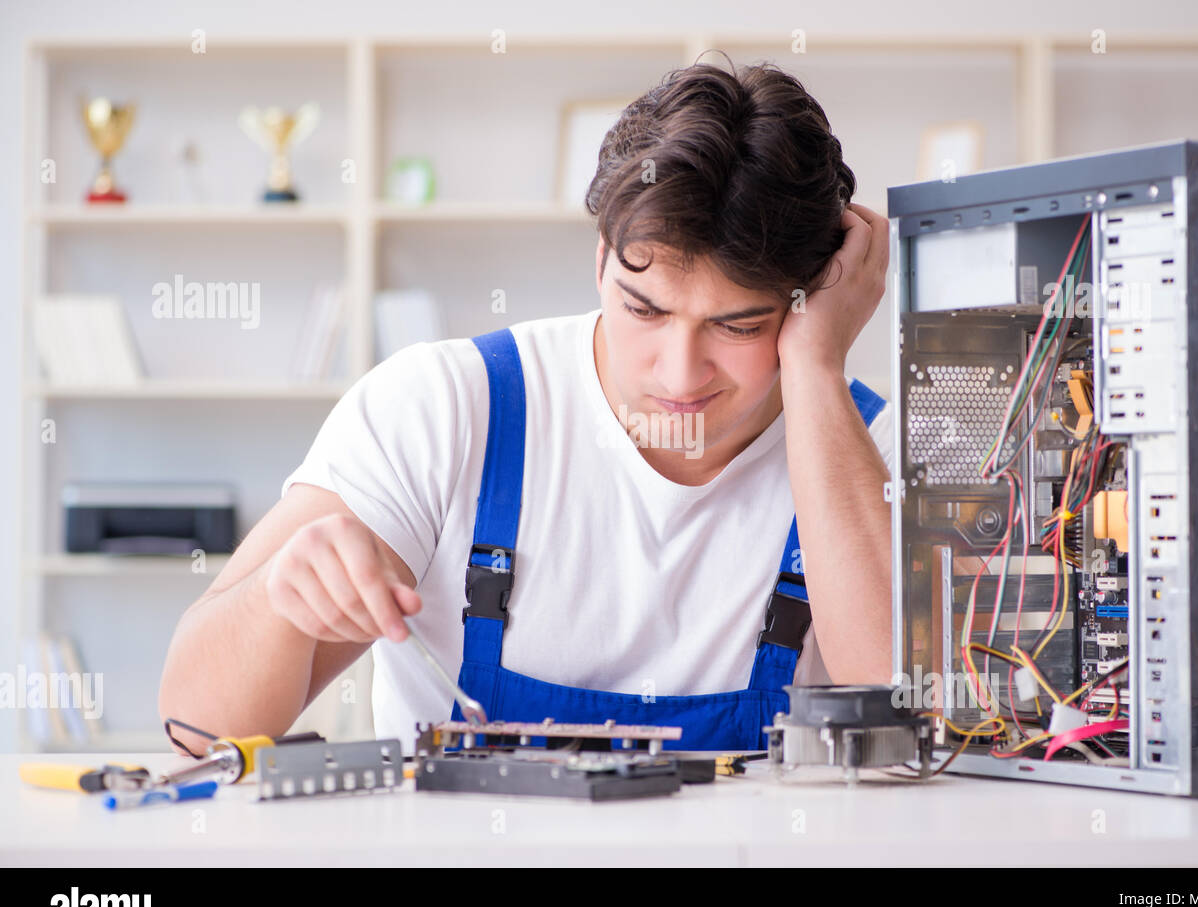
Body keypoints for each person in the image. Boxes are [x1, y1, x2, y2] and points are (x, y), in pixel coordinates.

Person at [158, 58, 894, 757]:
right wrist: (283, 600)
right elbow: (196, 726)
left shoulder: (870, 449)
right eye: (645, 309)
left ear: (817, 299)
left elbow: (913, 725)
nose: (678, 372)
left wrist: (817, 368)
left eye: (739, 326)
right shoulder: (445, 409)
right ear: (601, 258)